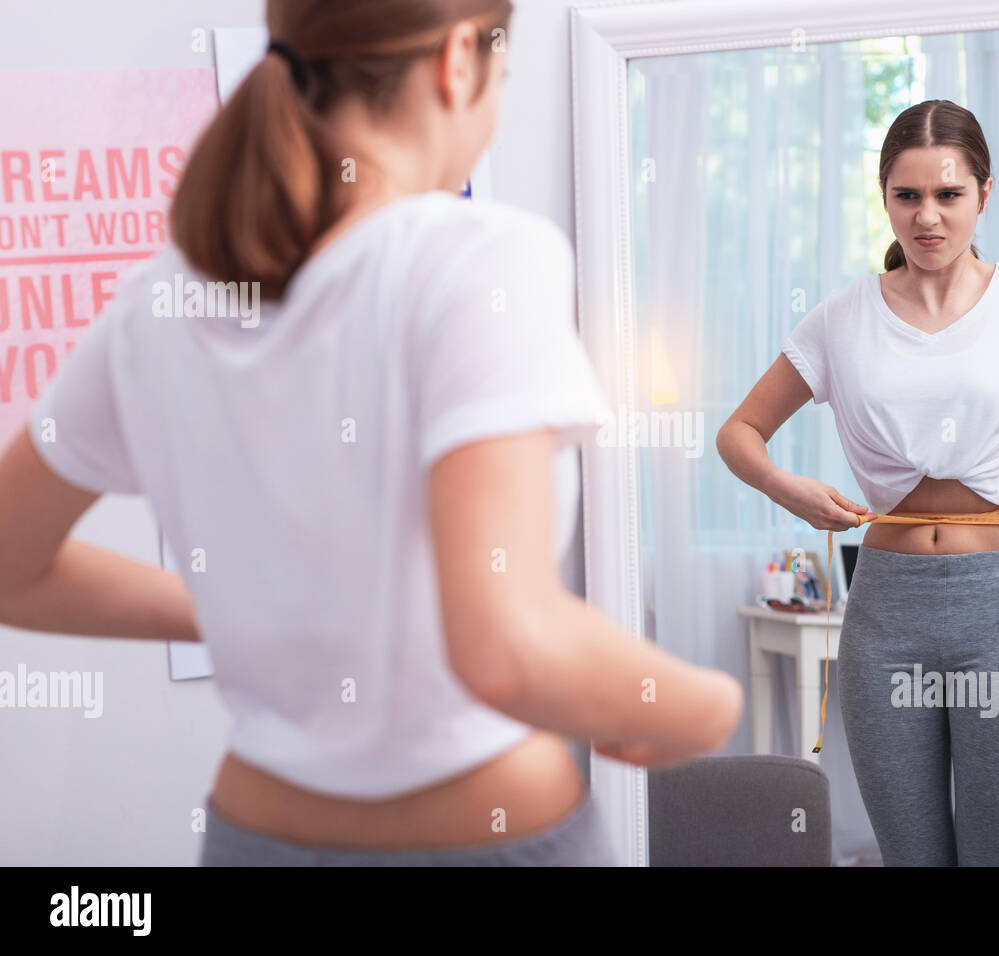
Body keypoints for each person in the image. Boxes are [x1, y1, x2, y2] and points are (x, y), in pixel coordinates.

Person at [0, 0, 741, 866]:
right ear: (459, 59)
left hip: (253, 841)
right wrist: (703, 705)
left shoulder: (156, 304)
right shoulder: (477, 258)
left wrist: (259, 611)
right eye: (502, 76)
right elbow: (507, 649)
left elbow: (12, 567)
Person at [717, 99, 999, 865]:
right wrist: (788, 489)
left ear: (985, 194)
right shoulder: (840, 319)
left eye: (949, 195)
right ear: (884, 198)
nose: (927, 217)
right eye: (907, 196)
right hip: (887, 617)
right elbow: (738, 434)